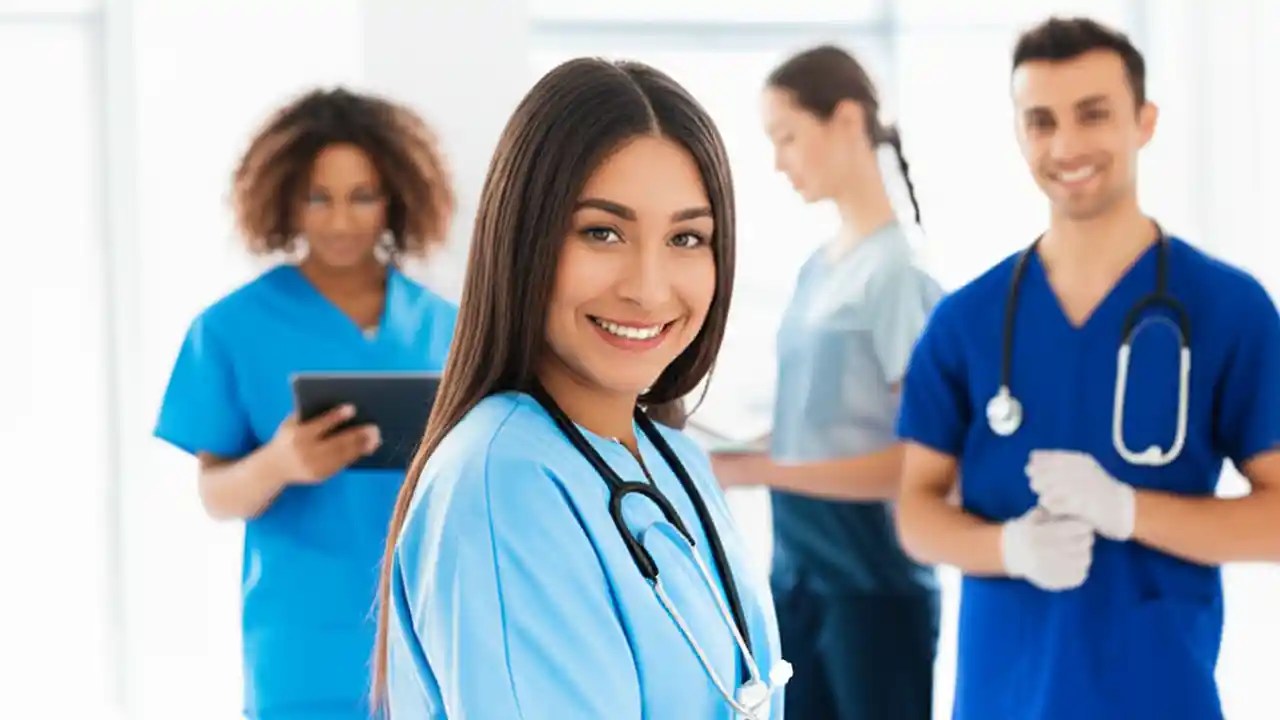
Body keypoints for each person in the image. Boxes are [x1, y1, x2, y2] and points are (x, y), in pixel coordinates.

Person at [370, 58, 790, 720]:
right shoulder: (501, 481)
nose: (649, 287)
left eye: (686, 237)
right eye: (603, 232)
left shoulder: (679, 464)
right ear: (525, 237)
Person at [894, 17, 1280, 720]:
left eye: (1093, 114)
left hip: (1162, 697)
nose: (1066, 145)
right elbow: (916, 512)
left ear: (1145, 121)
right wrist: (1007, 547)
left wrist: (1130, 511)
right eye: (1041, 121)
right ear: (1019, 134)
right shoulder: (968, 320)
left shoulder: (1228, 308)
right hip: (1000, 700)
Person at [153, 87, 458, 720]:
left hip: (431, 636)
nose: (341, 221)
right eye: (318, 197)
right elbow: (214, 495)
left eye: (362, 196)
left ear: (396, 197)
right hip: (302, 647)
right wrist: (279, 463)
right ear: (285, 198)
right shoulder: (231, 328)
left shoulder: (449, 327)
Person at [707, 45, 942, 720]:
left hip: (873, 591)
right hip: (800, 578)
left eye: (787, 136)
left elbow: (919, 461)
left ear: (845, 121)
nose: (779, 160)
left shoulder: (898, 273)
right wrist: (724, 455)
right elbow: (814, 428)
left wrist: (761, 470)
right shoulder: (818, 268)